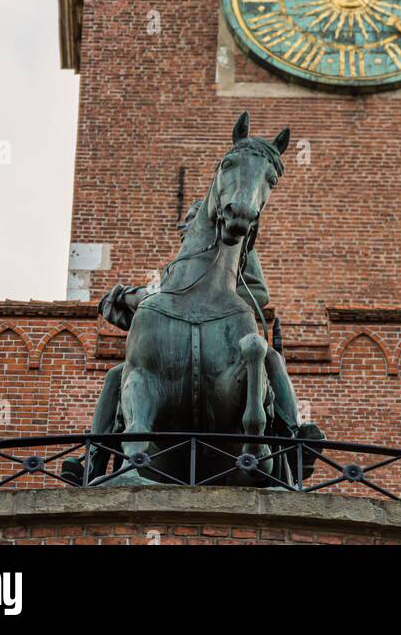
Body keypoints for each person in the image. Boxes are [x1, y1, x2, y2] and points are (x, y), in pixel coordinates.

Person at [62, 201, 321, 483]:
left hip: (224, 338)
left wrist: (217, 301)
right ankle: (94, 459)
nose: (191, 230)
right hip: (178, 345)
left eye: (197, 222)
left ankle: (295, 435)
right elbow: (161, 303)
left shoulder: (237, 251)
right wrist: (134, 298)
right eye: (188, 224)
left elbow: (258, 292)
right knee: (117, 376)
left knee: (270, 358)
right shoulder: (175, 272)